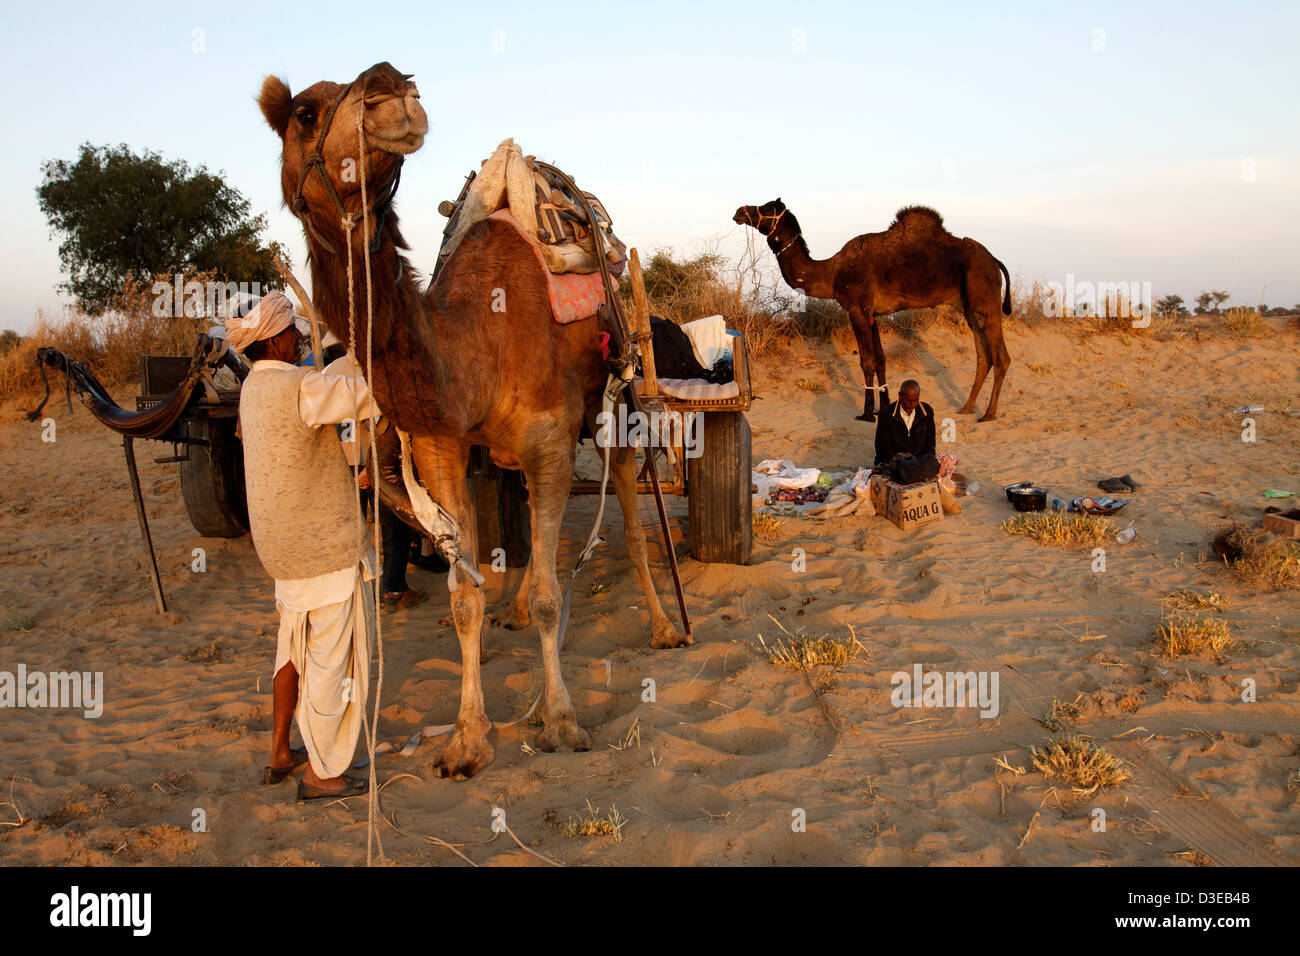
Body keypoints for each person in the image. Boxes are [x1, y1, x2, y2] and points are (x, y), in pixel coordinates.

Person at [227, 292, 379, 801]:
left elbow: (332, 385)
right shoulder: (301, 388)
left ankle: (279, 752)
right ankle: (323, 773)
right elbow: (366, 394)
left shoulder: (253, 388)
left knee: (290, 646)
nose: (301, 338)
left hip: (280, 550)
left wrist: (348, 358)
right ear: (275, 339)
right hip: (322, 552)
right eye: (294, 332)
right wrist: (381, 355)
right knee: (330, 661)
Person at [874, 379, 936, 466]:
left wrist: (923, 460)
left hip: (919, 460)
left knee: (948, 459)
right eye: (909, 401)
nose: (913, 404)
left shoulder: (927, 412)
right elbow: (882, 447)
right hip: (895, 461)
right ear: (900, 396)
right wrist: (899, 458)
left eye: (916, 400)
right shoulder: (886, 414)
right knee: (902, 469)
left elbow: (930, 443)